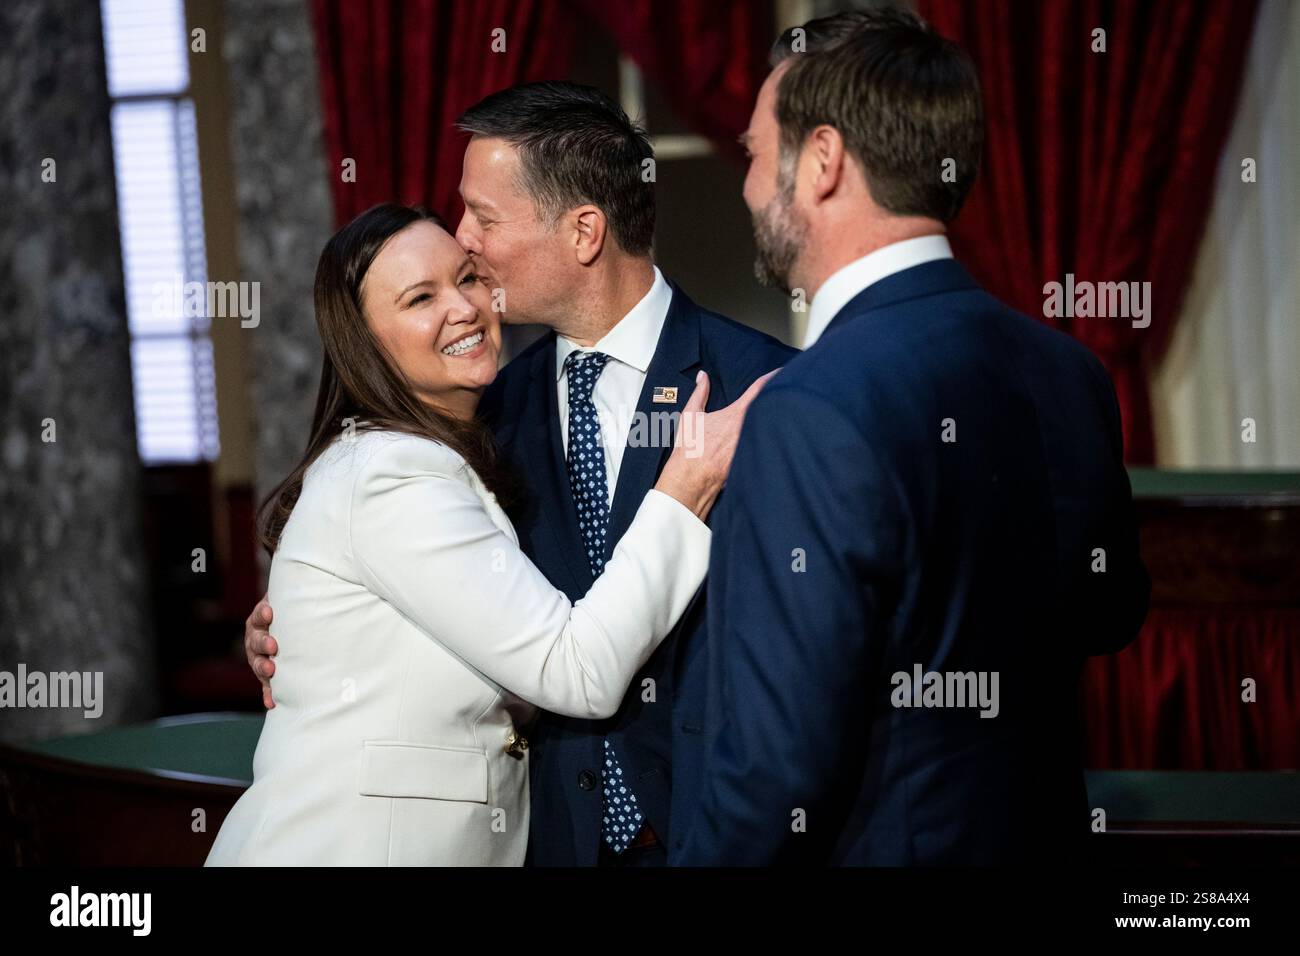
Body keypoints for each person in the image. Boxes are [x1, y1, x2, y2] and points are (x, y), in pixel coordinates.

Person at [245, 82, 794, 866]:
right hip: (545, 843)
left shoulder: (761, 388)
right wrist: (300, 628)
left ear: (583, 231)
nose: (465, 240)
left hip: (722, 834)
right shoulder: (473, 417)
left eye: (484, 218)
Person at [677, 10, 1150, 865]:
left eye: (752, 152)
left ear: (821, 162)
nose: (745, 184)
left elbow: (777, 768)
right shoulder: (1068, 370)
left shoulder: (809, 407)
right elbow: (1110, 613)